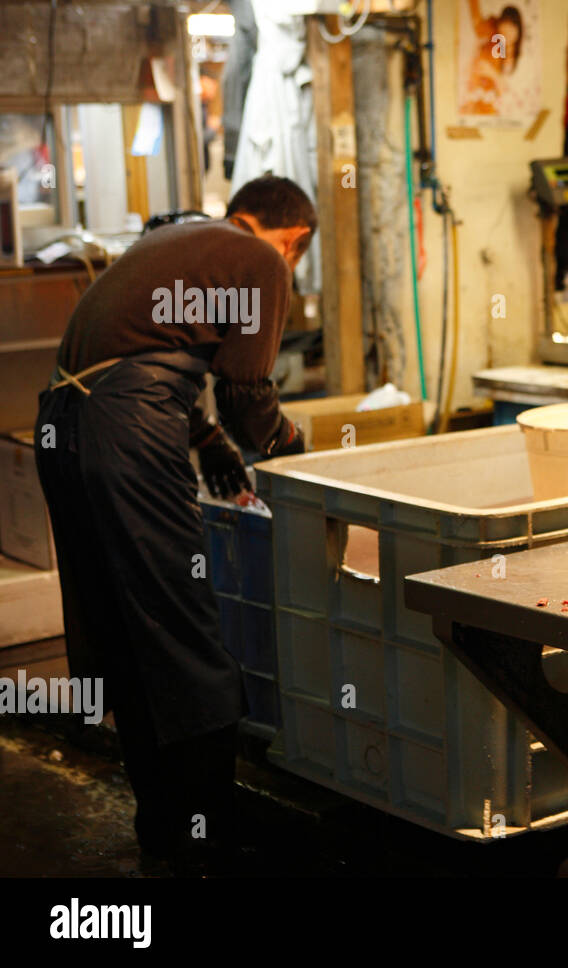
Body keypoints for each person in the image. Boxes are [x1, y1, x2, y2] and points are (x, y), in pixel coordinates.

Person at [34, 174, 315, 873]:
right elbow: (250, 395)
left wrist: (207, 442)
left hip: (64, 427)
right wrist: (301, 461)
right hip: (126, 429)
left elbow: (135, 352)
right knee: (181, 630)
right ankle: (207, 830)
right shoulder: (262, 262)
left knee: (126, 632)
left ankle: (165, 823)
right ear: (295, 238)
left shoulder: (181, 239)